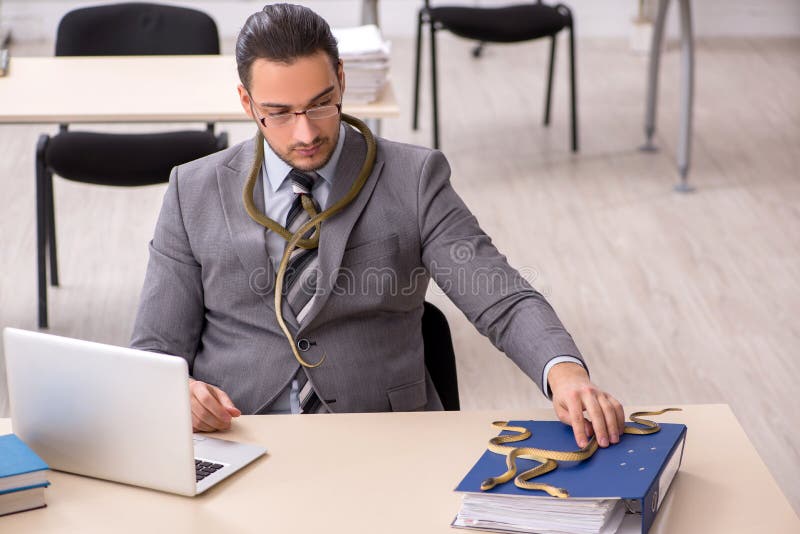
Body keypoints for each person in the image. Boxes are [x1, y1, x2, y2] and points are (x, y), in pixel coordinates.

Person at [131, 3, 624, 450]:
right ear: (247, 103)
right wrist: (182, 393)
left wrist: (565, 374)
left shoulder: (414, 178)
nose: (304, 133)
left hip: (386, 437)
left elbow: (500, 296)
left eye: (320, 104)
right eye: (278, 114)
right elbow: (155, 350)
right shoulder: (191, 189)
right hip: (239, 436)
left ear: (342, 81)